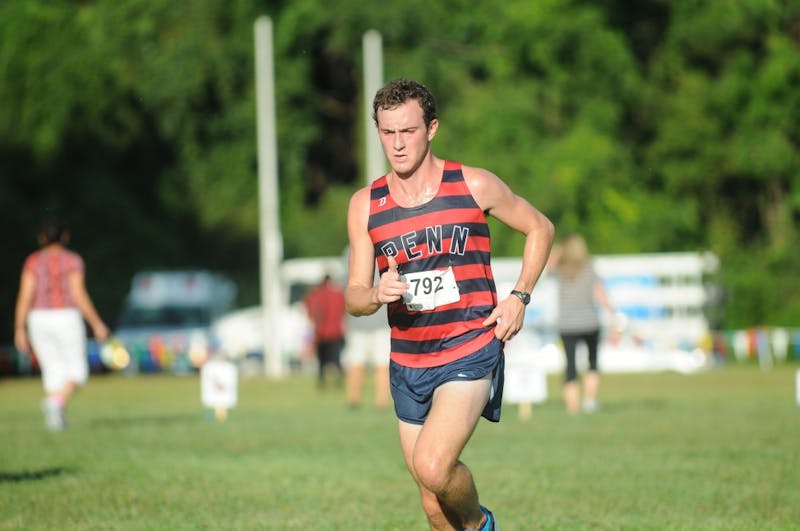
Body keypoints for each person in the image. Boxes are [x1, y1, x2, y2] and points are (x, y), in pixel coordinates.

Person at [345, 78, 554, 531]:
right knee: (433, 503)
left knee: (435, 466)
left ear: (432, 128)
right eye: (387, 133)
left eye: (408, 131)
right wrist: (374, 295)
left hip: (469, 348)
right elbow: (354, 295)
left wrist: (519, 297)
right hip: (408, 361)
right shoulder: (366, 204)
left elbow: (540, 228)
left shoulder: (473, 184)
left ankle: (483, 524)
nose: (397, 145)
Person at [14, 216, 110, 430]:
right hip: (66, 316)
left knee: (52, 370)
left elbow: (25, 295)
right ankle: (54, 403)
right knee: (77, 372)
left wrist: (19, 328)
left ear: (41, 238)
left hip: (37, 318)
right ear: (65, 236)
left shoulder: (33, 261)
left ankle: (56, 419)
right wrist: (96, 323)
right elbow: (78, 294)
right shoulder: (72, 260)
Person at [549, 233, 614, 414]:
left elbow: (547, 267)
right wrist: (612, 313)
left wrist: (557, 250)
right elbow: (600, 292)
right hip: (589, 322)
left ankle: (573, 408)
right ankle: (590, 401)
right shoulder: (589, 267)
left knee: (570, 366)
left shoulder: (560, 269)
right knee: (592, 362)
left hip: (567, 324)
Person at [343, 304, 391, 409]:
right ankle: (353, 400)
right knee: (355, 365)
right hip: (357, 328)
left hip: (381, 328)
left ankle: (382, 401)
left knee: (382, 366)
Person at [303, 273, 347, 388]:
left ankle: (321, 383)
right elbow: (344, 311)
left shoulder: (317, 294)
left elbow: (310, 309)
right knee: (336, 359)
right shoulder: (338, 294)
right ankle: (340, 383)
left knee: (321, 360)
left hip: (321, 332)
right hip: (336, 332)